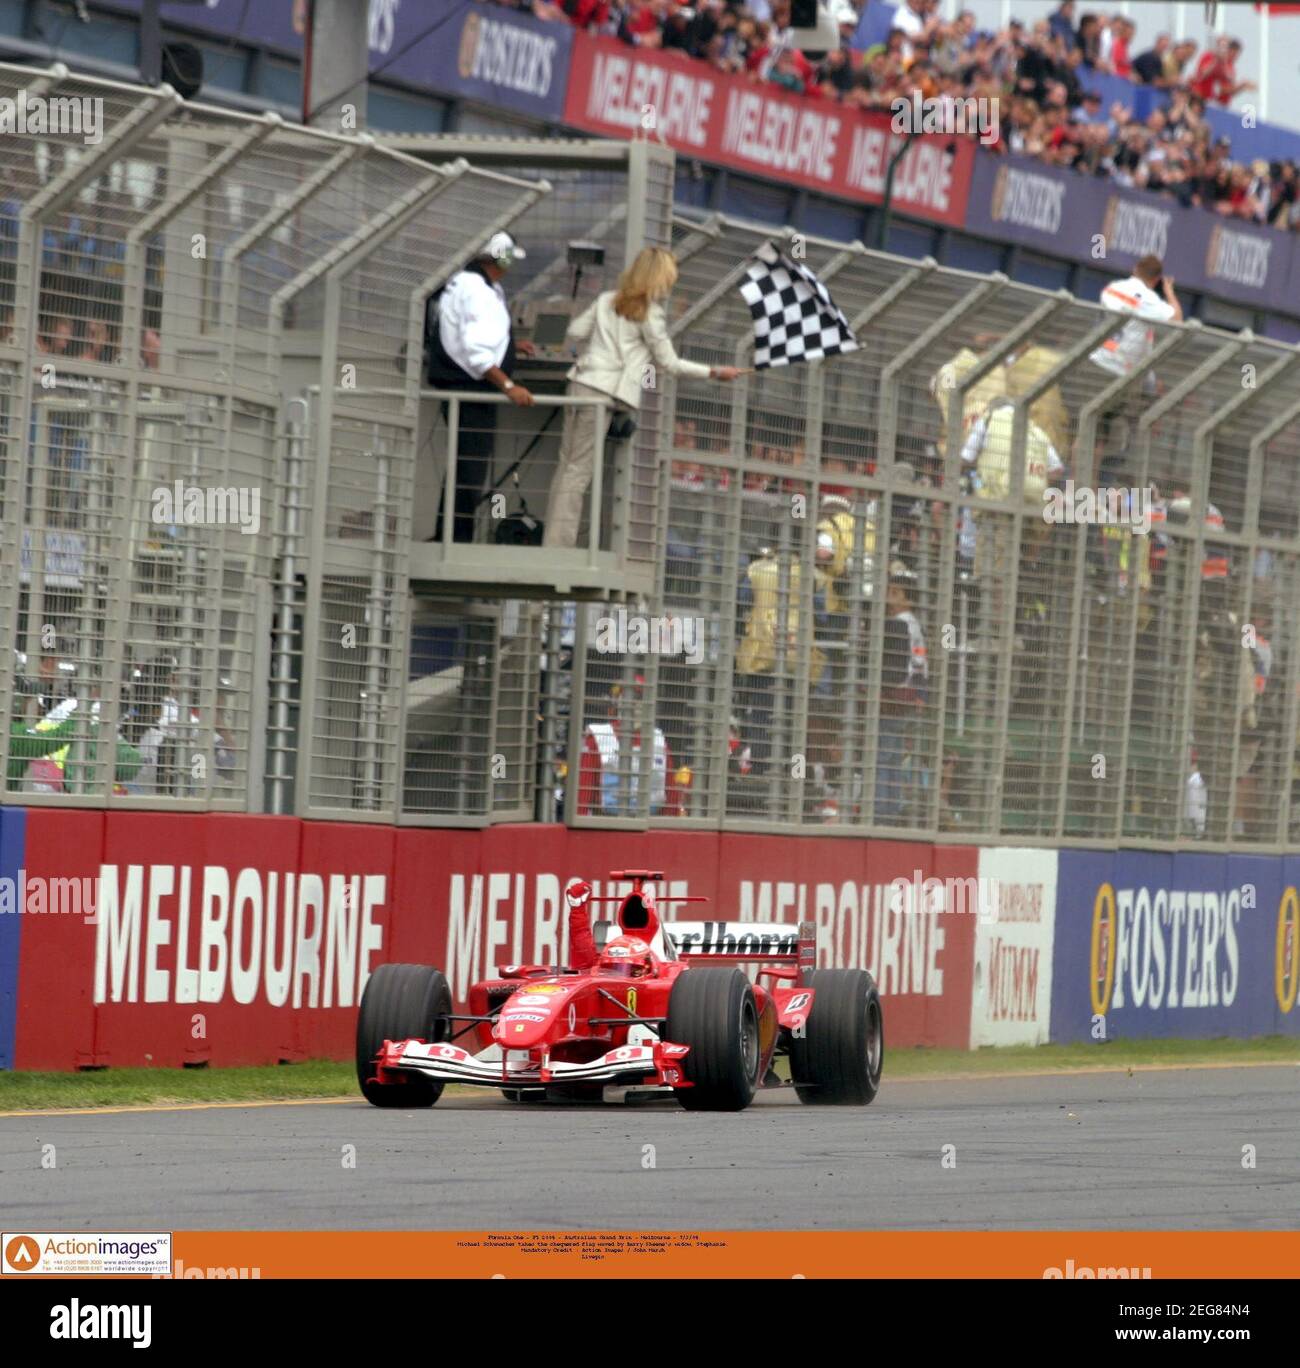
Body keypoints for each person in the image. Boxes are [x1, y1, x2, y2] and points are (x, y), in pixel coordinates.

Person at [542, 246, 740, 549]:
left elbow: (575, 331)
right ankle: (558, 548)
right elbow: (670, 364)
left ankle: (551, 542)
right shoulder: (651, 314)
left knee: (566, 465)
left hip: (580, 381)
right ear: (659, 278)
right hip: (605, 393)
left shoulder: (606, 299)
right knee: (578, 473)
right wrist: (713, 371)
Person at [426, 231, 535, 543]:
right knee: (468, 471)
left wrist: (512, 344)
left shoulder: (474, 285)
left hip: (463, 387)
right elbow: (476, 352)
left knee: (465, 467)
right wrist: (509, 385)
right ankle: (453, 539)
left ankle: (451, 535)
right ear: (499, 257)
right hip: (471, 390)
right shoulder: (478, 291)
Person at [1088, 254, 1182, 459]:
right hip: (1119, 372)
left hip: (1095, 361)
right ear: (1156, 280)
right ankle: (1087, 488)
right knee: (1103, 438)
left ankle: (1078, 487)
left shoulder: (1112, 287)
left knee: (1085, 430)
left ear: (1134, 269)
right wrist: (1169, 291)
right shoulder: (1148, 300)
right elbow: (1177, 320)